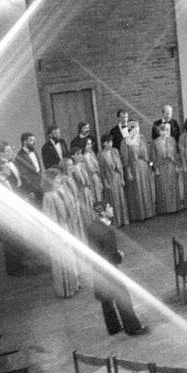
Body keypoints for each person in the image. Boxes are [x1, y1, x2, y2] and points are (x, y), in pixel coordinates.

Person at [85, 202, 148, 336]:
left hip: (98, 269)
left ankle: (113, 327)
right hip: (109, 270)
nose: (112, 209)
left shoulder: (92, 227)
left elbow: (98, 248)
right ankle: (133, 327)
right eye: (109, 207)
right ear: (102, 212)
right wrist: (118, 255)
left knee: (106, 299)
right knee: (123, 297)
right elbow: (110, 255)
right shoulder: (107, 231)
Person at [41, 170, 80, 298]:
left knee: (69, 258)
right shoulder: (48, 197)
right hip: (58, 232)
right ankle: (65, 289)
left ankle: (73, 285)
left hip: (65, 227)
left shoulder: (59, 192)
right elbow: (50, 218)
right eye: (57, 179)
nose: (59, 181)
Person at [0, 142, 28, 276]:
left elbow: (16, 183)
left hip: (15, 207)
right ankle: (13, 269)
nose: (11, 153)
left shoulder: (11, 165)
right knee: (9, 241)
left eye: (11, 150)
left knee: (16, 238)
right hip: (5, 213)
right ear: (1, 154)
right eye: (8, 151)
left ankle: (19, 263)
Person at [122, 119, 155, 221]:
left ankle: (149, 212)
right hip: (134, 169)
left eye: (137, 126)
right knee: (137, 191)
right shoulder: (125, 142)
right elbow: (125, 159)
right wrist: (128, 172)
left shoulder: (142, 139)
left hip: (144, 168)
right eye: (134, 127)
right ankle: (138, 215)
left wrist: (151, 166)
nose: (136, 129)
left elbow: (148, 155)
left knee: (146, 189)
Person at [99, 134, 129, 226]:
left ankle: (123, 219)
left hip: (117, 177)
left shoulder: (115, 151)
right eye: (108, 142)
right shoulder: (101, 155)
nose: (110, 144)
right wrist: (105, 182)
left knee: (121, 199)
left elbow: (119, 165)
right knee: (113, 200)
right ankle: (116, 221)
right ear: (104, 143)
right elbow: (102, 170)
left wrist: (122, 178)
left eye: (111, 142)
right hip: (109, 178)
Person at [152, 125, 181, 214]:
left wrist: (177, 166)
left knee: (172, 187)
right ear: (159, 131)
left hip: (171, 166)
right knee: (162, 188)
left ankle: (174, 208)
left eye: (166, 130)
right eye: (162, 130)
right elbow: (152, 158)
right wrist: (155, 168)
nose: (164, 132)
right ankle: (164, 209)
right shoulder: (154, 142)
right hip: (161, 167)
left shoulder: (172, 140)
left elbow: (175, 154)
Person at [14, 132, 43, 205]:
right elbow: (24, 176)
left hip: (40, 184)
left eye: (34, 140)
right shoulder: (20, 156)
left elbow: (39, 168)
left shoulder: (34, 151)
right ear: (24, 142)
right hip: (32, 188)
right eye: (31, 140)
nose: (34, 143)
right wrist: (30, 190)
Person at [70, 149, 96, 220]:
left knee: (92, 210)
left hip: (87, 190)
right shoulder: (72, 169)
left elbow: (89, 179)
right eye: (77, 154)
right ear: (72, 156)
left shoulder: (83, 165)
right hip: (80, 192)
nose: (80, 156)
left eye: (81, 154)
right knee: (85, 213)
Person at [82, 137, 105, 205]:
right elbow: (89, 170)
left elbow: (97, 168)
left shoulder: (92, 154)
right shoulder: (83, 157)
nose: (90, 146)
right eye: (88, 144)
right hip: (90, 180)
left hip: (96, 178)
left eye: (90, 144)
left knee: (100, 198)